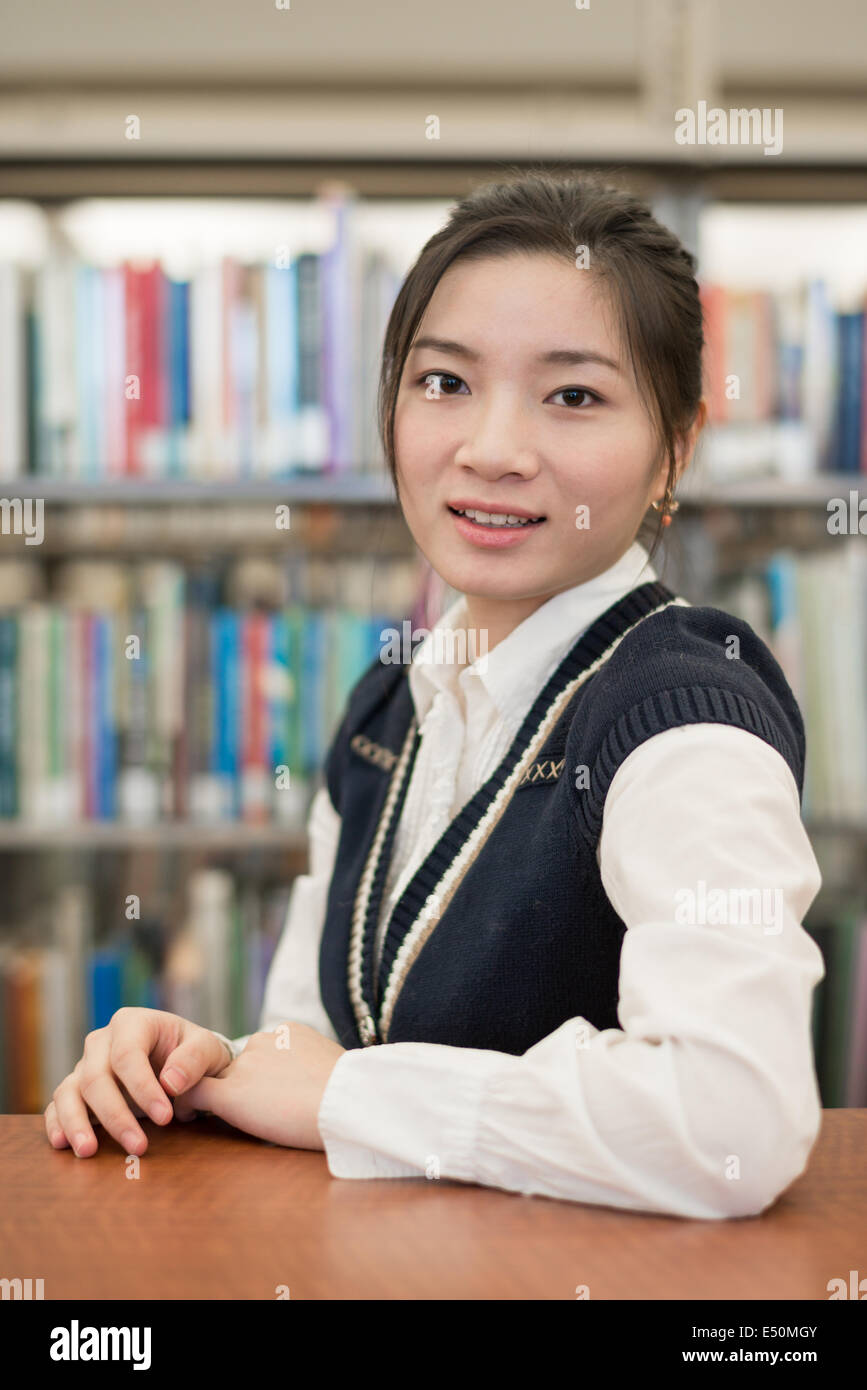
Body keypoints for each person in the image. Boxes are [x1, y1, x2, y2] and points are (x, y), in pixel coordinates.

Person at [45, 170, 825, 1219]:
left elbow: (735, 1117)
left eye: (574, 395)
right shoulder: (385, 712)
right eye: (445, 382)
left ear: (674, 448)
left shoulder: (683, 715)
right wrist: (209, 1068)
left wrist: (346, 1092)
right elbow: (317, 1055)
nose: (491, 450)